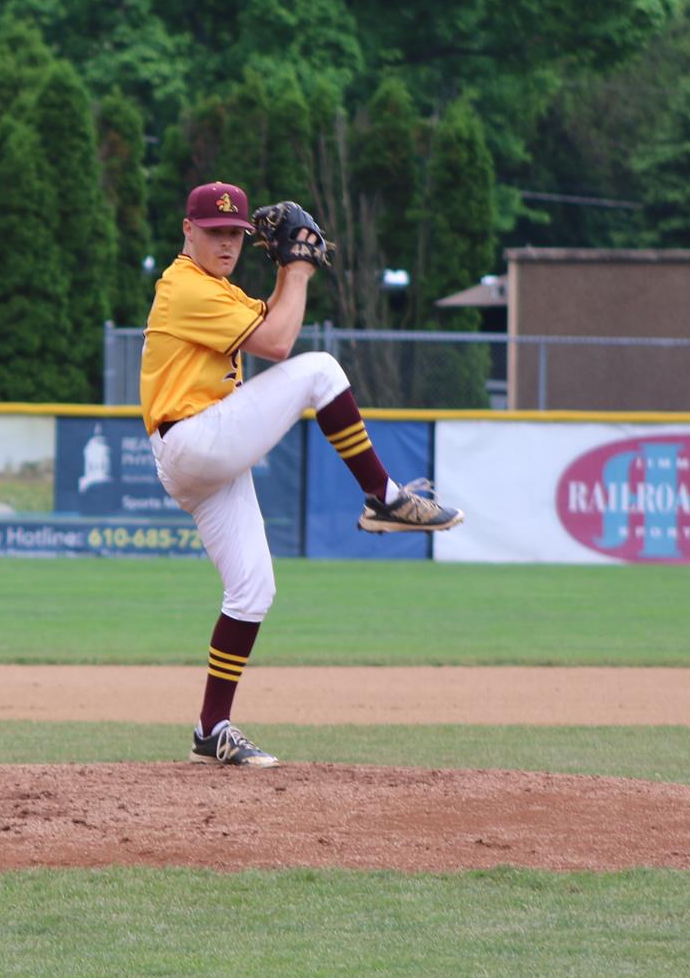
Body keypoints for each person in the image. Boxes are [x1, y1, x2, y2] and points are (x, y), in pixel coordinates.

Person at [142, 181, 464, 768]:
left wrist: (290, 273)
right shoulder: (186, 286)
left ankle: (211, 728)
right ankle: (385, 497)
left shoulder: (215, 290)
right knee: (320, 369)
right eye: (214, 232)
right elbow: (282, 341)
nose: (227, 244)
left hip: (199, 459)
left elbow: (269, 324)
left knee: (253, 589)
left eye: (236, 234)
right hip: (194, 439)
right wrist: (298, 267)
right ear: (187, 231)